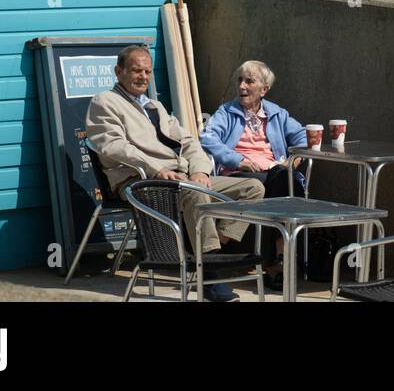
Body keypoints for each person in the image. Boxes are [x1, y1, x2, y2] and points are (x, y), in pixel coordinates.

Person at [85, 45, 265, 302]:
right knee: (195, 196)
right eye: (136, 71)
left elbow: (189, 142)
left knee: (253, 188)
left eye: (147, 71)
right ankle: (211, 275)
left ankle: (214, 249)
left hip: (179, 178)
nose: (143, 77)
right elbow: (113, 145)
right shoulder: (104, 102)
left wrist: (200, 171)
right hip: (141, 180)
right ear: (118, 71)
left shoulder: (155, 106)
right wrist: (155, 168)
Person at [200, 60, 309, 286]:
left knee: (286, 181)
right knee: (282, 185)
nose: (242, 86)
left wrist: (296, 157)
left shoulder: (277, 113)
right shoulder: (227, 112)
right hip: (240, 174)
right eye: (240, 80)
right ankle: (278, 261)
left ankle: (278, 259)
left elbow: (302, 136)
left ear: (263, 90)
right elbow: (208, 138)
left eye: (249, 81)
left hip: (273, 171)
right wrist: (238, 160)